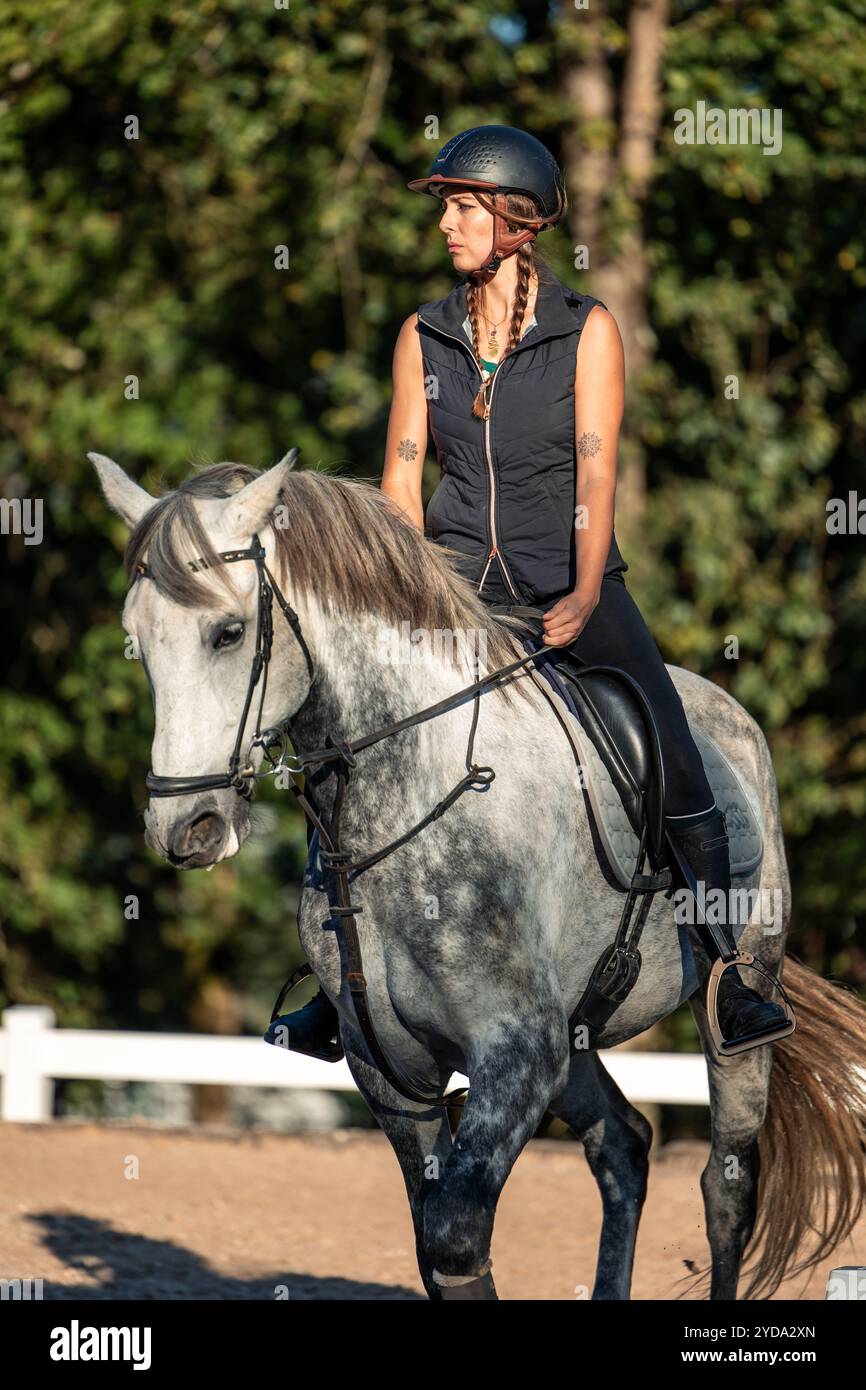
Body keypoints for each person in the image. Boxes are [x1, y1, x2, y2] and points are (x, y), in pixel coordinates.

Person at [278, 125, 787, 1059]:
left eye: (462, 206)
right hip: (455, 585)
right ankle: (331, 972)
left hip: (570, 578)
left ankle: (729, 972)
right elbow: (400, 478)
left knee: (669, 746)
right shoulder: (422, 334)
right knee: (351, 742)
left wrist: (587, 592)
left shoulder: (586, 330)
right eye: (445, 205)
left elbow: (597, 474)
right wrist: (406, 600)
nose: (445, 222)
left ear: (516, 226)